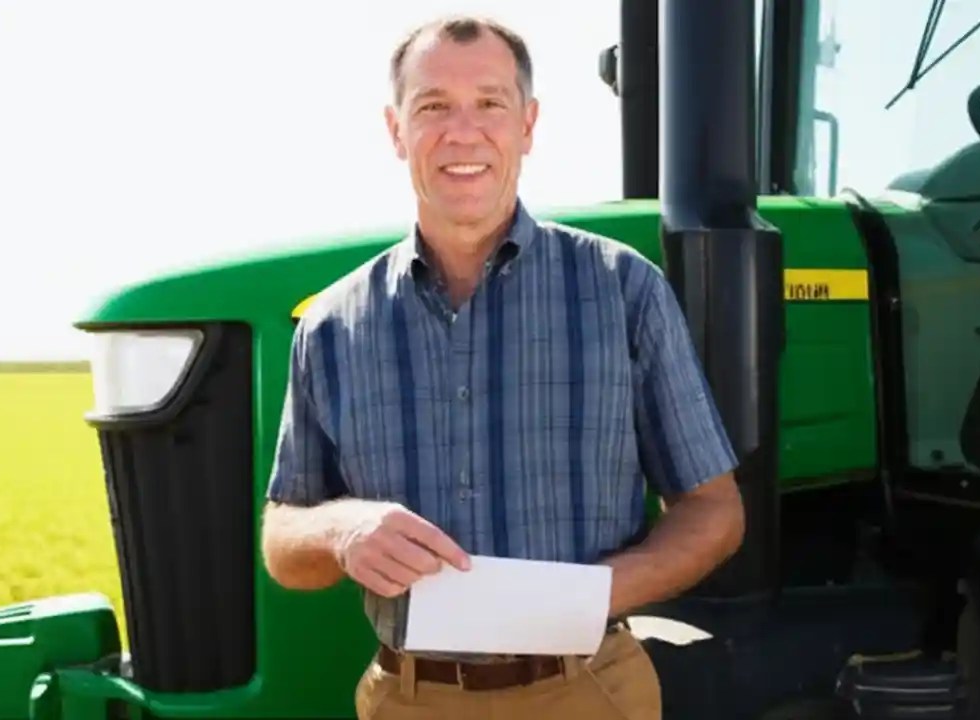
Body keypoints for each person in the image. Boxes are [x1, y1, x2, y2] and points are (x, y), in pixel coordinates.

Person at [259, 14, 745, 720]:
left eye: (489, 103)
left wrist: (588, 597)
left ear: (528, 125)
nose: (463, 132)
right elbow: (282, 543)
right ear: (396, 130)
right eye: (433, 106)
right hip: (407, 701)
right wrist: (342, 531)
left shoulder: (624, 290)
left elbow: (714, 512)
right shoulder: (332, 327)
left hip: (590, 691)